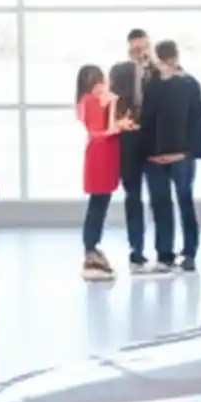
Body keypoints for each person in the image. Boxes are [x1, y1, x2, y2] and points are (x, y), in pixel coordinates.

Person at [139, 40, 201, 272]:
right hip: (154, 158)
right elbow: (146, 120)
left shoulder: (190, 84)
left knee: (185, 201)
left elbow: (196, 123)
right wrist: (148, 154)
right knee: (160, 205)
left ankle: (189, 253)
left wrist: (185, 154)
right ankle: (164, 254)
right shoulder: (151, 84)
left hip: (181, 158)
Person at [108, 29, 171, 275]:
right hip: (129, 141)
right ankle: (136, 253)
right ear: (128, 49)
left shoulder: (160, 72)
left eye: (143, 48)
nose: (139, 53)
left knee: (160, 197)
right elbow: (113, 103)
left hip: (155, 141)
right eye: (135, 49)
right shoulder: (119, 71)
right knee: (133, 197)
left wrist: (153, 64)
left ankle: (165, 254)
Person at [75, 64, 131, 282]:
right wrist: (114, 108)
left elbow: (107, 127)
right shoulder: (91, 101)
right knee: (98, 203)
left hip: (103, 154)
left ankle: (92, 247)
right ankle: (90, 247)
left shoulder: (87, 101)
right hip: (100, 154)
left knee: (99, 202)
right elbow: (103, 131)